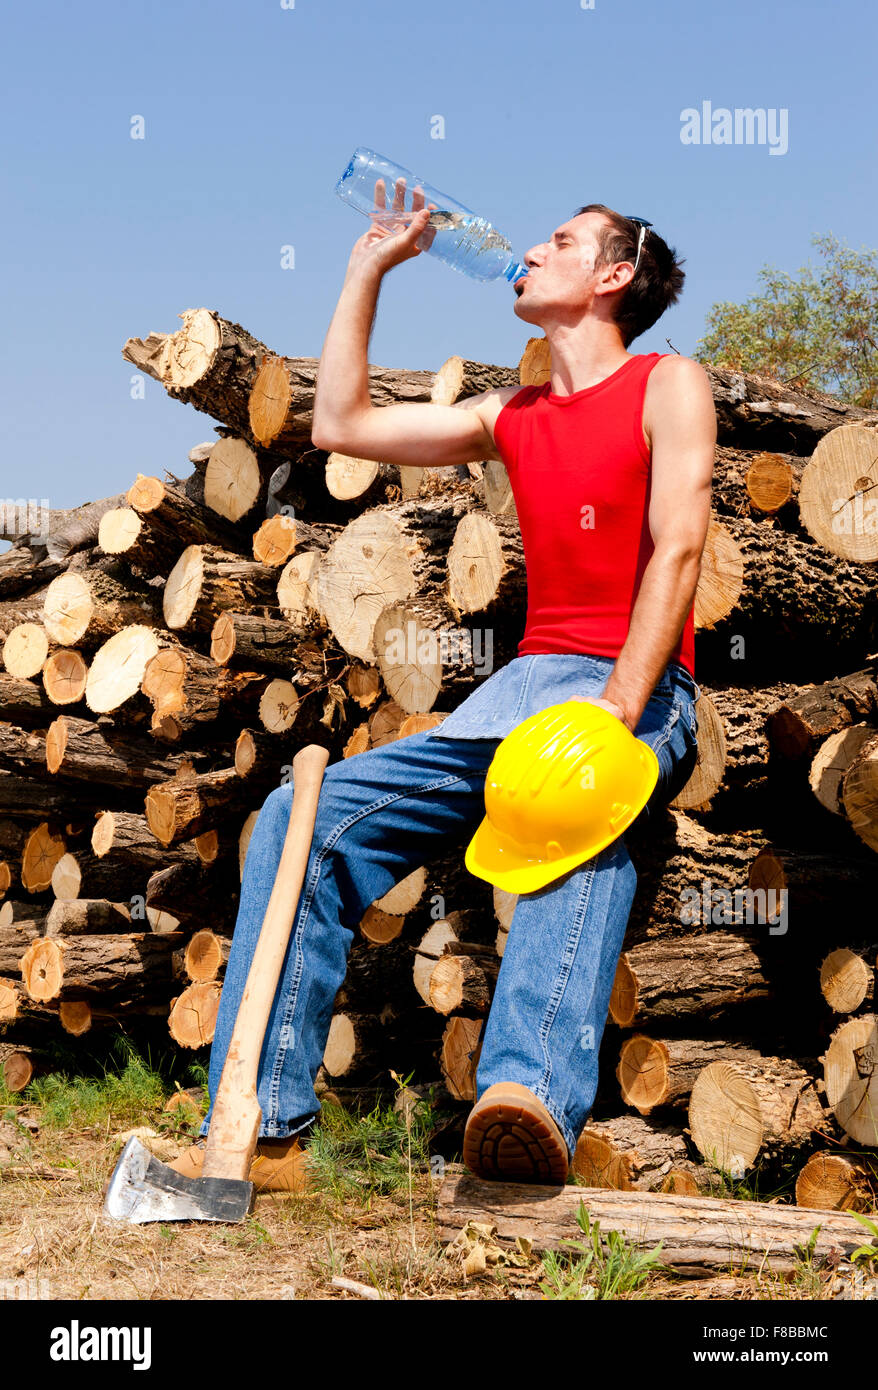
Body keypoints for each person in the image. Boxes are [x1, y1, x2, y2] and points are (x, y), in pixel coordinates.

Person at [168, 188, 716, 1193]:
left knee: (569, 801)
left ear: (613, 275)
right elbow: (335, 421)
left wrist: (615, 716)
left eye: (561, 241)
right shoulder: (510, 414)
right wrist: (370, 267)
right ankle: (264, 1128)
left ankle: (524, 1102)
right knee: (307, 813)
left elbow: (678, 545)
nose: (530, 250)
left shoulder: (665, 381)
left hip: (631, 681)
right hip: (523, 690)